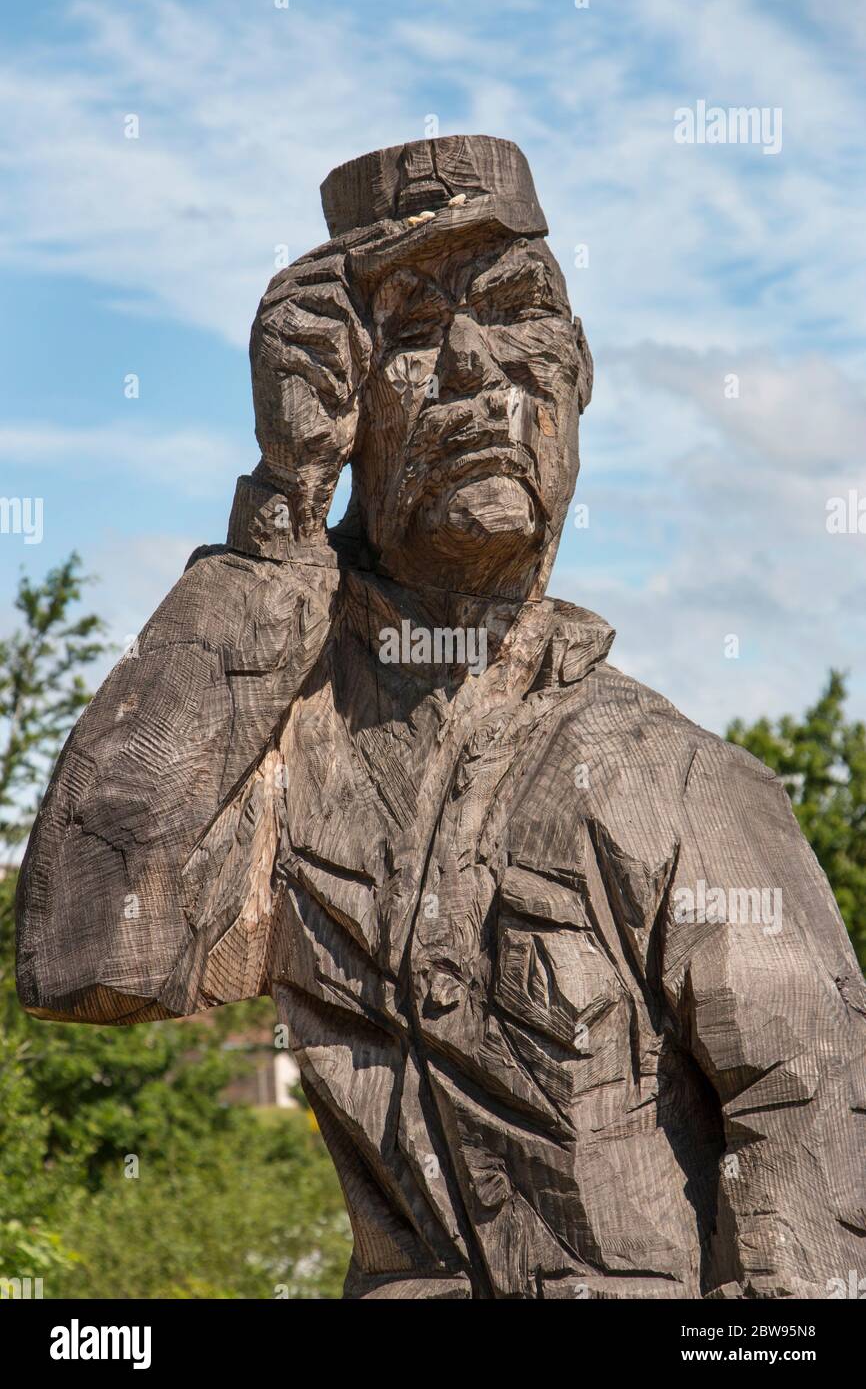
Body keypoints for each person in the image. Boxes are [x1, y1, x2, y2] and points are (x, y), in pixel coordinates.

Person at [17, 136, 866, 1300]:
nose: (472, 366)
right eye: (411, 331)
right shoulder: (283, 746)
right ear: (343, 403)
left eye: (515, 311)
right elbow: (83, 961)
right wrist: (280, 509)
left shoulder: (678, 784)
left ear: (574, 378)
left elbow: (815, 1146)